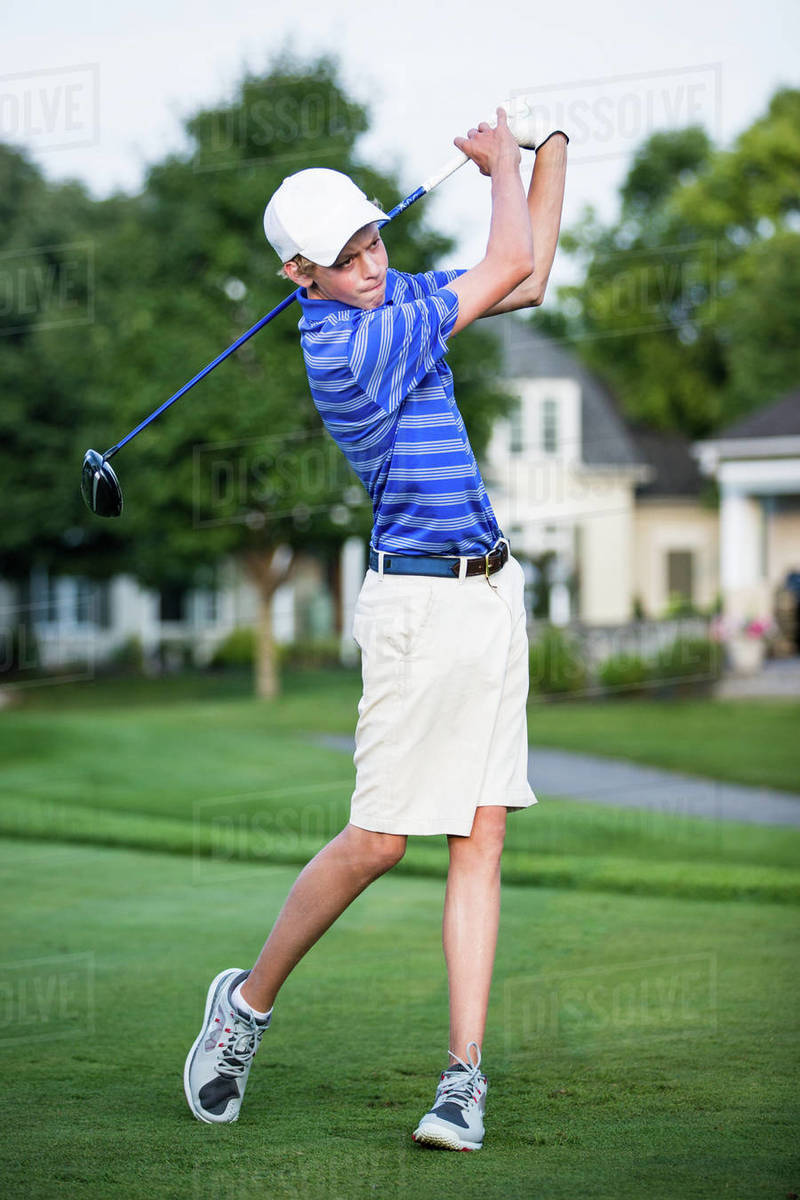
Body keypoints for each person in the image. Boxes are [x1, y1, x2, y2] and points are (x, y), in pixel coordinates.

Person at [184, 108, 568, 1151]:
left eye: (372, 243)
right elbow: (501, 255)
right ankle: (244, 1007)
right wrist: (499, 164)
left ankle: (461, 1080)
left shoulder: (388, 291)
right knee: (378, 841)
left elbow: (524, 276)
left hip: (491, 593)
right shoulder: (354, 344)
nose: (369, 266)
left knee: (478, 835)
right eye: (342, 260)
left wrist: (551, 150)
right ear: (296, 276)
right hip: (415, 607)